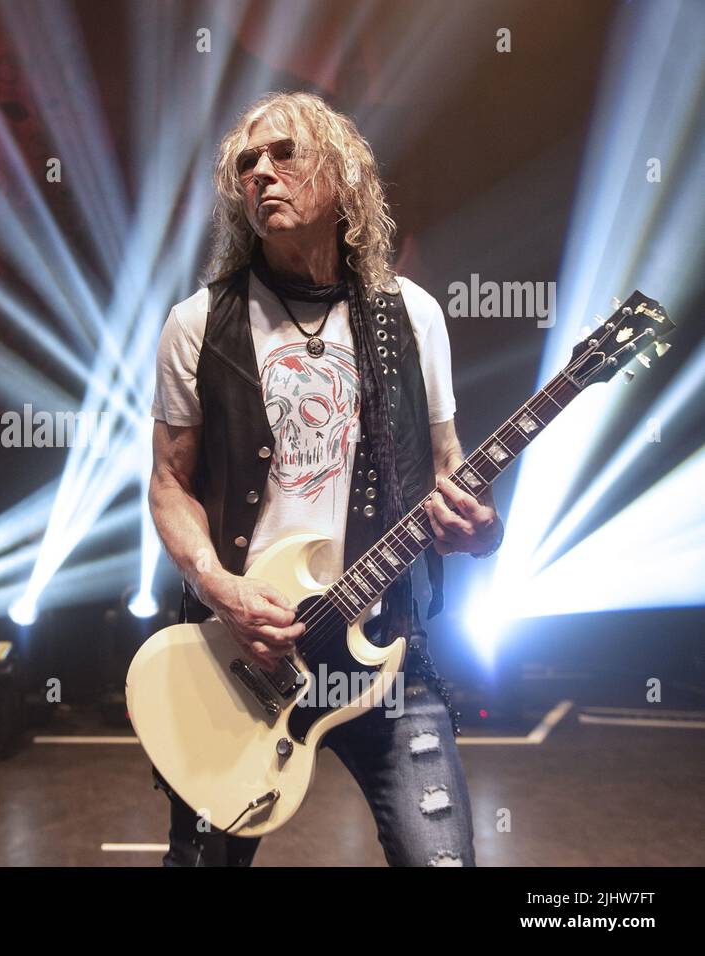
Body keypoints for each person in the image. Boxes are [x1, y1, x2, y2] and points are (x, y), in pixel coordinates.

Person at [148, 91, 503, 866]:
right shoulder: (198, 324)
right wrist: (220, 587)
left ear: (341, 178)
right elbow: (169, 483)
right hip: (246, 652)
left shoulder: (411, 316)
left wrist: (479, 528)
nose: (260, 174)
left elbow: (449, 469)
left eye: (283, 155)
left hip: (383, 646)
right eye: (246, 164)